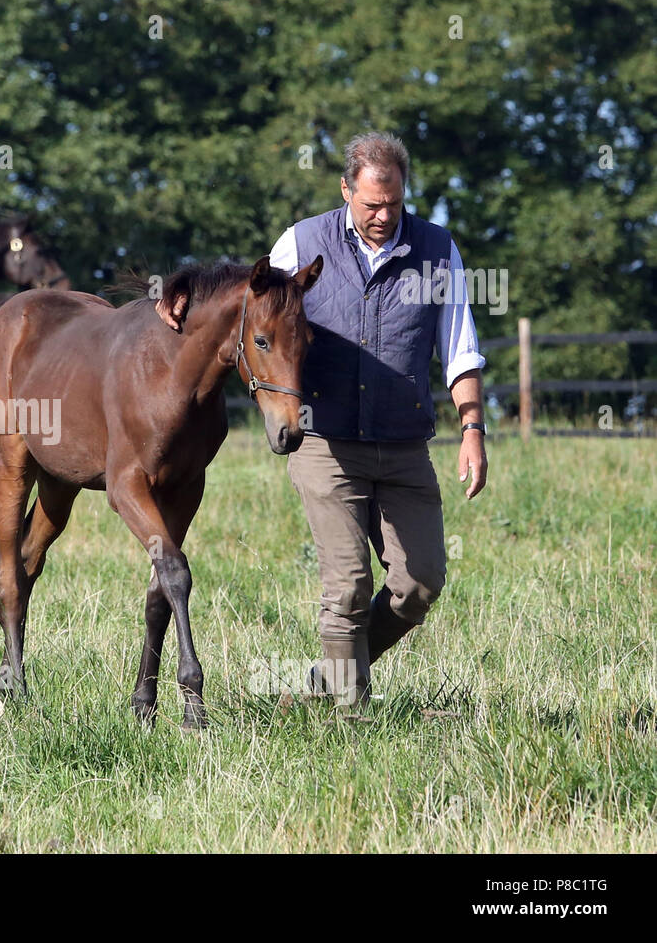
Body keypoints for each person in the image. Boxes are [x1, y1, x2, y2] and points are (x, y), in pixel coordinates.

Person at [159, 131, 489, 709]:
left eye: (394, 203)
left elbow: (459, 348)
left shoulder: (438, 251)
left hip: (403, 442)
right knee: (349, 588)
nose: (385, 215)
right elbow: (247, 294)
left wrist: (473, 430)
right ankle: (348, 723)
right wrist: (182, 286)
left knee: (419, 585)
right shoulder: (303, 240)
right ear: (346, 191)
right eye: (371, 205)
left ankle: (323, 681)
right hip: (325, 441)